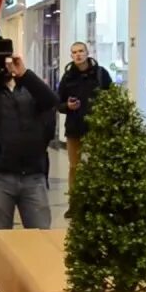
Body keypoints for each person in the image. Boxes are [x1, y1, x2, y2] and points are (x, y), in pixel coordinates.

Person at [0, 50, 59, 236]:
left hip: (33, 176)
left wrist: (25, 74)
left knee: (41, 237)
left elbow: (52, 101)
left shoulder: (30, 89)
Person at [57, 41, 113, 188]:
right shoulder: (68, 77)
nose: (78, 55)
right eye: (74, 52)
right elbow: (58, 103)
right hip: (74, 128)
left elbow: (113, 97)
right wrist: (67, 106)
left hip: (97, 129)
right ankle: (74, 202)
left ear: (88, 53)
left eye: (81, 51)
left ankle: (95, 201)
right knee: (74, 167)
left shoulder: (101, 74)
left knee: (97, 166)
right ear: (71, 56)